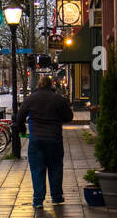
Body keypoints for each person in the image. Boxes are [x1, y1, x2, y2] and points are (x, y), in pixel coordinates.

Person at [16, 74, 74, 208]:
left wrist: (22, 131)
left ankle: (38, 200)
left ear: (39, 85)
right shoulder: (58, 99)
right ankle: (57, 197)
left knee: (37, 169)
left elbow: (19, 117)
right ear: (51, 85)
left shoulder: (30, 99)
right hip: (54, 138)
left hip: (36, 139)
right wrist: (58, 119)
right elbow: (68, 117)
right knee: (56, 168)